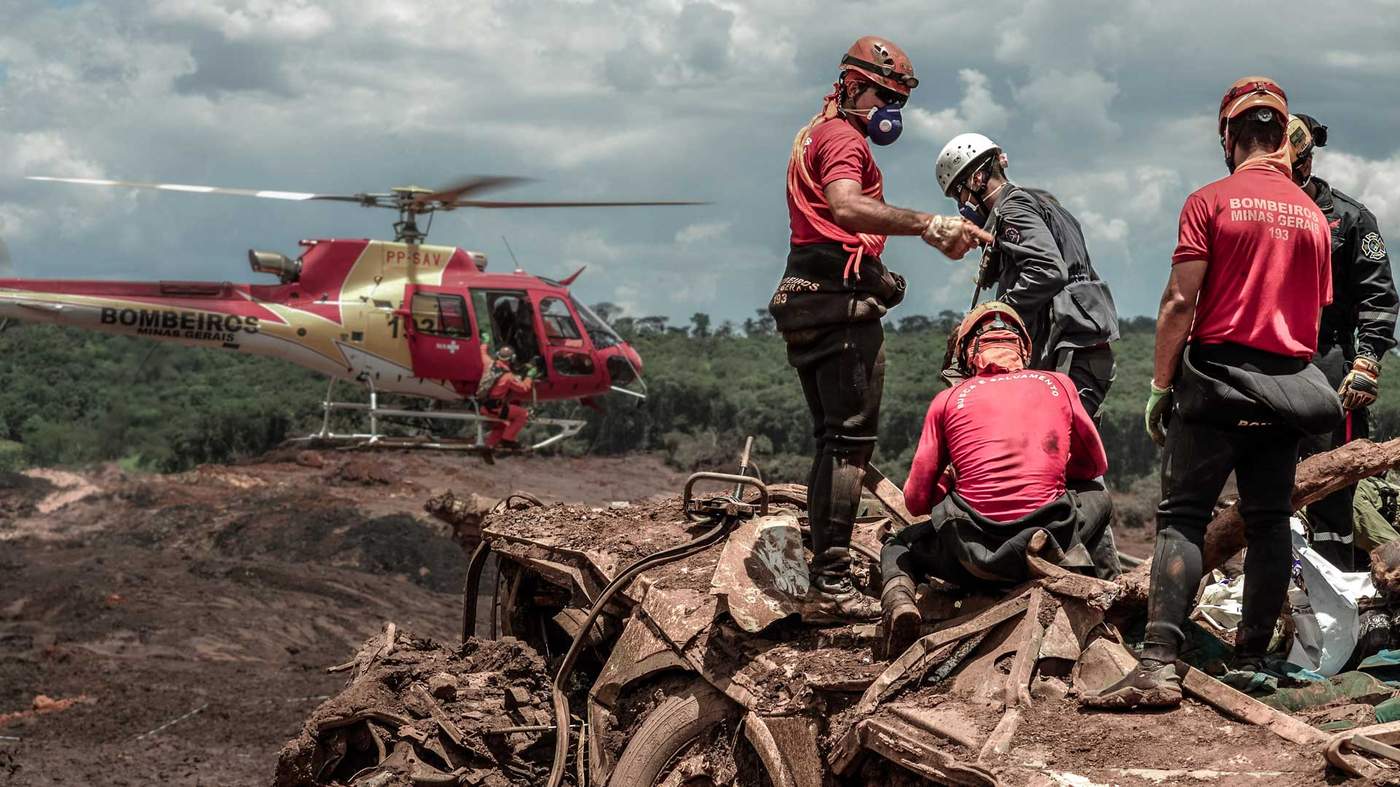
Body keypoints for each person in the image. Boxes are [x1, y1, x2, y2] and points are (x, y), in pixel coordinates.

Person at [1083, 77, 1338, 709]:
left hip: (1217, 383)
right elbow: (1312, 314)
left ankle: (1158, 664)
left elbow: (1179, 301)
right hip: (1287, 388)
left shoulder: (1210, 201)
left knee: (1182, 519)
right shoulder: (1313, 217)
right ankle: (1253, 659)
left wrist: (1160, 385)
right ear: (1283, 139)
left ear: (1230, 137)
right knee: (1270, 521)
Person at [768, 35, 990, 623]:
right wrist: (931, 225)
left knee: (831, 440)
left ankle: (824, 572)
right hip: (839, 312)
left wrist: (880, 275)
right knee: (849, 443)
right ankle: (831, 583)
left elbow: (826, 229)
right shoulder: (843, 139)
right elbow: (845, 207)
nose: (891, 111)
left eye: (898, 101)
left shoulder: (813, 133)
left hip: (806, 297)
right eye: (884, 96)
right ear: (851, 84)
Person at [881, 301, 1116, 656]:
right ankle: (1085, 580)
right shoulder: (1058, 384)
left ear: (967, 355)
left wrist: (951, 482)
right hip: (1047, 540)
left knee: (898, 546)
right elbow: (1094, 466)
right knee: (1099, 496)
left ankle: (900, 604)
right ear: (1023, 348)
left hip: (973, 558)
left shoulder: (946, 400)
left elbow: (915, 502)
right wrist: (1046, 468)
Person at [934, 134, 1120, 415]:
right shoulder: (1042, 203)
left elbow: (1047, 270)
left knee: (1056, 438)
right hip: (1081, 346)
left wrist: (993, 315)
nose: (961, 205)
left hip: (1069, 350)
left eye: (959, 194)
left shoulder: (1013, 209)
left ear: (976, 179)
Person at [1286, 113, 1399, 570]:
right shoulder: (1250, 210)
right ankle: (1278, 587)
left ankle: (1337, 585)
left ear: (1307, 163)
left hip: (1328, 359)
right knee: (1270, 480)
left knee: (1332, 483)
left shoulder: (1350, 218)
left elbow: (1378, 298)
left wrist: (1367, 361)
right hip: (1263, 360)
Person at [477, 346, 534, 450]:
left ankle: (488, 447)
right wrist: (530, 376)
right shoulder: (508, 377)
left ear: (498, 355)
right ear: (512, 359)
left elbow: (482, 352)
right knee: (523, 414)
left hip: (482, 407)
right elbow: (524, 388)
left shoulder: (488, 363)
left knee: (501, 426)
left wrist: (485, 343)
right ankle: (508, 440)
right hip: (495, 409)